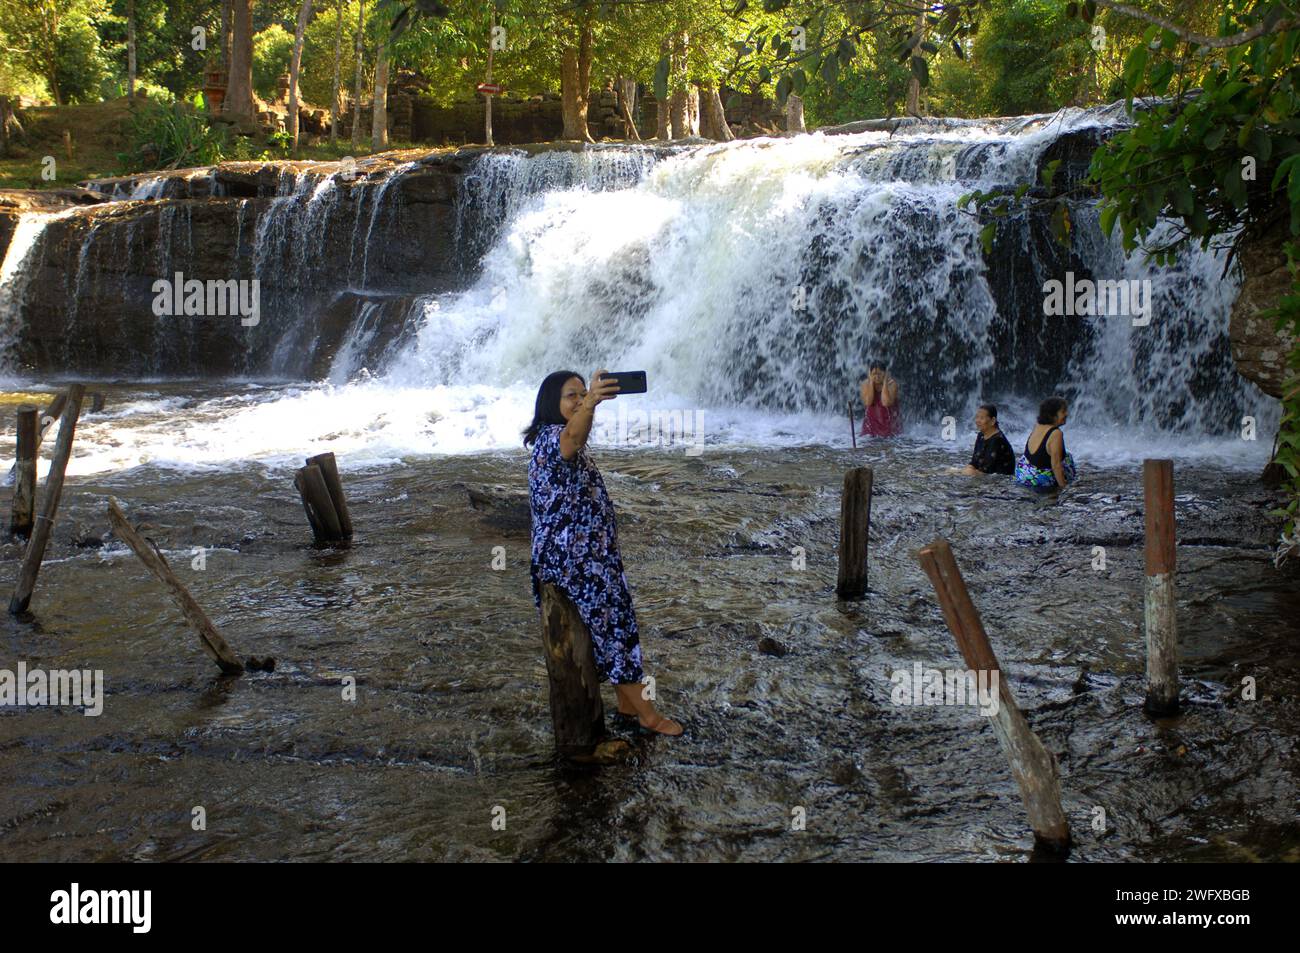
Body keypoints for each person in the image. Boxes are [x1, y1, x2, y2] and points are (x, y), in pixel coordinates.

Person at [524, 369, 683, 737]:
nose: (579, 401)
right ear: (551, 403)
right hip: (574, 563)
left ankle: (627, 704)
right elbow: (573, 437)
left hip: (592, 558)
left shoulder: (561, 440)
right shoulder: (552, 439)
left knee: (619, 624)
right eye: (571, 396)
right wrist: (592, 403)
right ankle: (648, 715)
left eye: (583, 394)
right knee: (614, 631)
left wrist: (588, 405)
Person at [1015, 396, 1077, 492]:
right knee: (1068, 458)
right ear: (1052, 414)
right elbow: (1056, 465)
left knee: (1066, 455)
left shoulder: (1038, 426)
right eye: (1063, 411)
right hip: (1040, 480)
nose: (1066, 414)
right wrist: (1064, 488)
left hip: (1023, 474)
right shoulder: (1056, 433)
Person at [961, 404, 1015, 476]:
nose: (978, 421)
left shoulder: (997, 440)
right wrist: (968, 468)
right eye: (977, 417)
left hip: (1000, 478)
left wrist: (965, 471)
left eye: (981, 418)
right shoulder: (981, 435)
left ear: (992, 421)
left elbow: (987, 470)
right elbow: (974, 461)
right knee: (951, 471)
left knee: (967, 472)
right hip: (986, 473)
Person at [859, 364, 901, 437]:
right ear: (870, 374)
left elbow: (886, 402)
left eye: (880, 374)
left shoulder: (892, 384)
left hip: (889, 425)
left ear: (885, 373)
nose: (877, 377)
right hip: (871, 426)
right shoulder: (865, 384)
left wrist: (885, 383)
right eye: (874, 374)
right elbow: (868, 402)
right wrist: (871, 382)